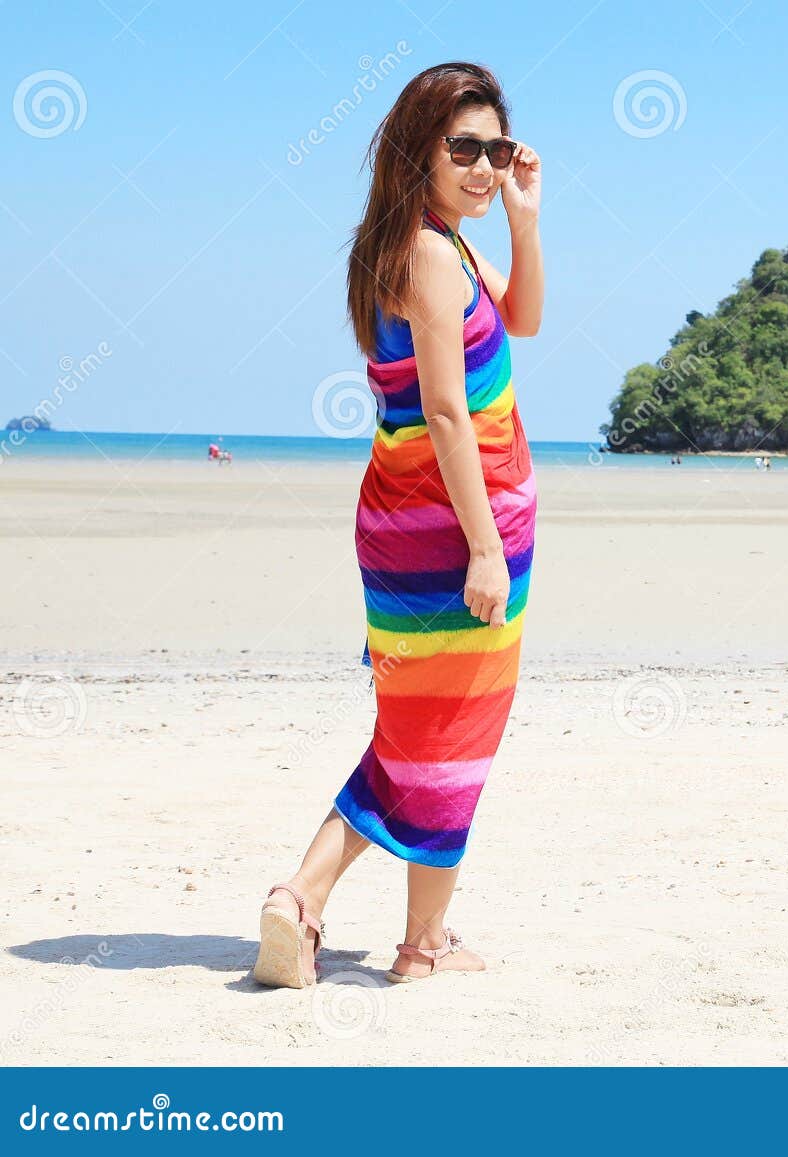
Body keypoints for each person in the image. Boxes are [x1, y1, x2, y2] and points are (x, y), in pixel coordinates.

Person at [253, 62, 544, 989]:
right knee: (441, 730)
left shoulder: (439, 246)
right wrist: (488, 550)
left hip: (420, 518)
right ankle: (308, 896)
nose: (484, 167)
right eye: (464, 148)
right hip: (449, 532)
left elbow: (525, 319)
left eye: (494, 150)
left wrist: (526, 220)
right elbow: (448, 413)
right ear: (416, 148)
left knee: (432, 727)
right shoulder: (425, 251)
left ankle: (420, 940)